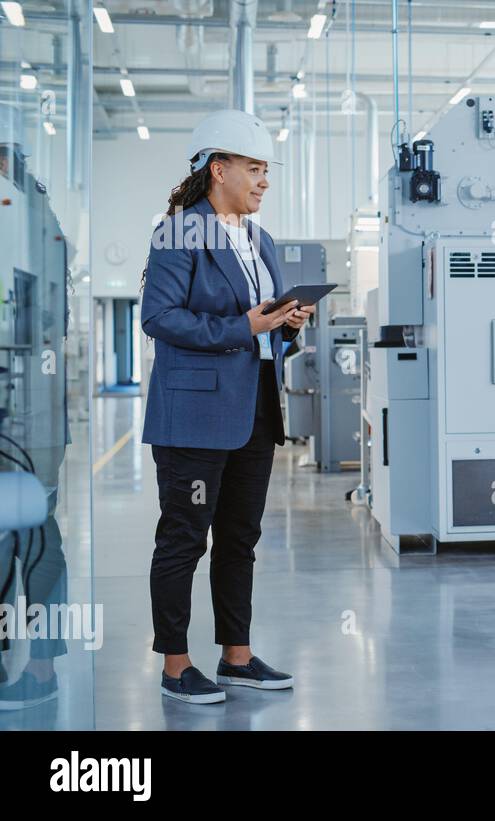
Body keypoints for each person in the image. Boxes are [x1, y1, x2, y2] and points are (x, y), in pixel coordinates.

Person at [140, 109, 315, 704]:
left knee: (240, 536)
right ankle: (175, 664)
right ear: (219, 170)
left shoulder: (258, 239)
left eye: (267, 170)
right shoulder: (178, 232)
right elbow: (158, 318)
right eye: (255, 169)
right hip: (195, 415)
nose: (265, 181)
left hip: (256, 407)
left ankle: (236, 657)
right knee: (184, 538)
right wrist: (243, 325)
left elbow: (263, 326)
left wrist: (286, 323)